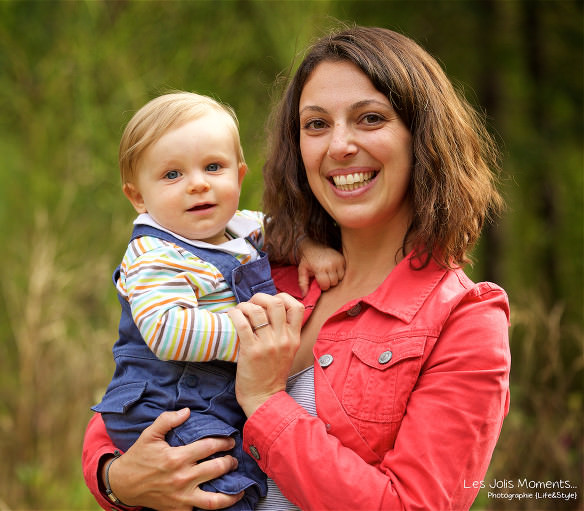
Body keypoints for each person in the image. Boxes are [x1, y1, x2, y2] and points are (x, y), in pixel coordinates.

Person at [83, 26, 510, 511]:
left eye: (370, 118)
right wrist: (117, 480)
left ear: (424, 137)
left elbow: (412, 505)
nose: (340, 146)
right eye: (316, 124)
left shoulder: (464, 319)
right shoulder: (262, 269)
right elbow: (122, 410)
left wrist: (266, 400)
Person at [91, 91, 346, 510]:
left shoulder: (239, 228)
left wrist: (309, 248)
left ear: (240, 175)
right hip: (169, 405)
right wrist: (255, 335)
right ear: (138, 197)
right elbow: (168, 332)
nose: (198, 183)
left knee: (241, 474)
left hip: (213, 402)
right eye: (172, 175)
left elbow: (277, 233)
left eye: (214, 167)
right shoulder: (155, 255)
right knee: (220, 491)